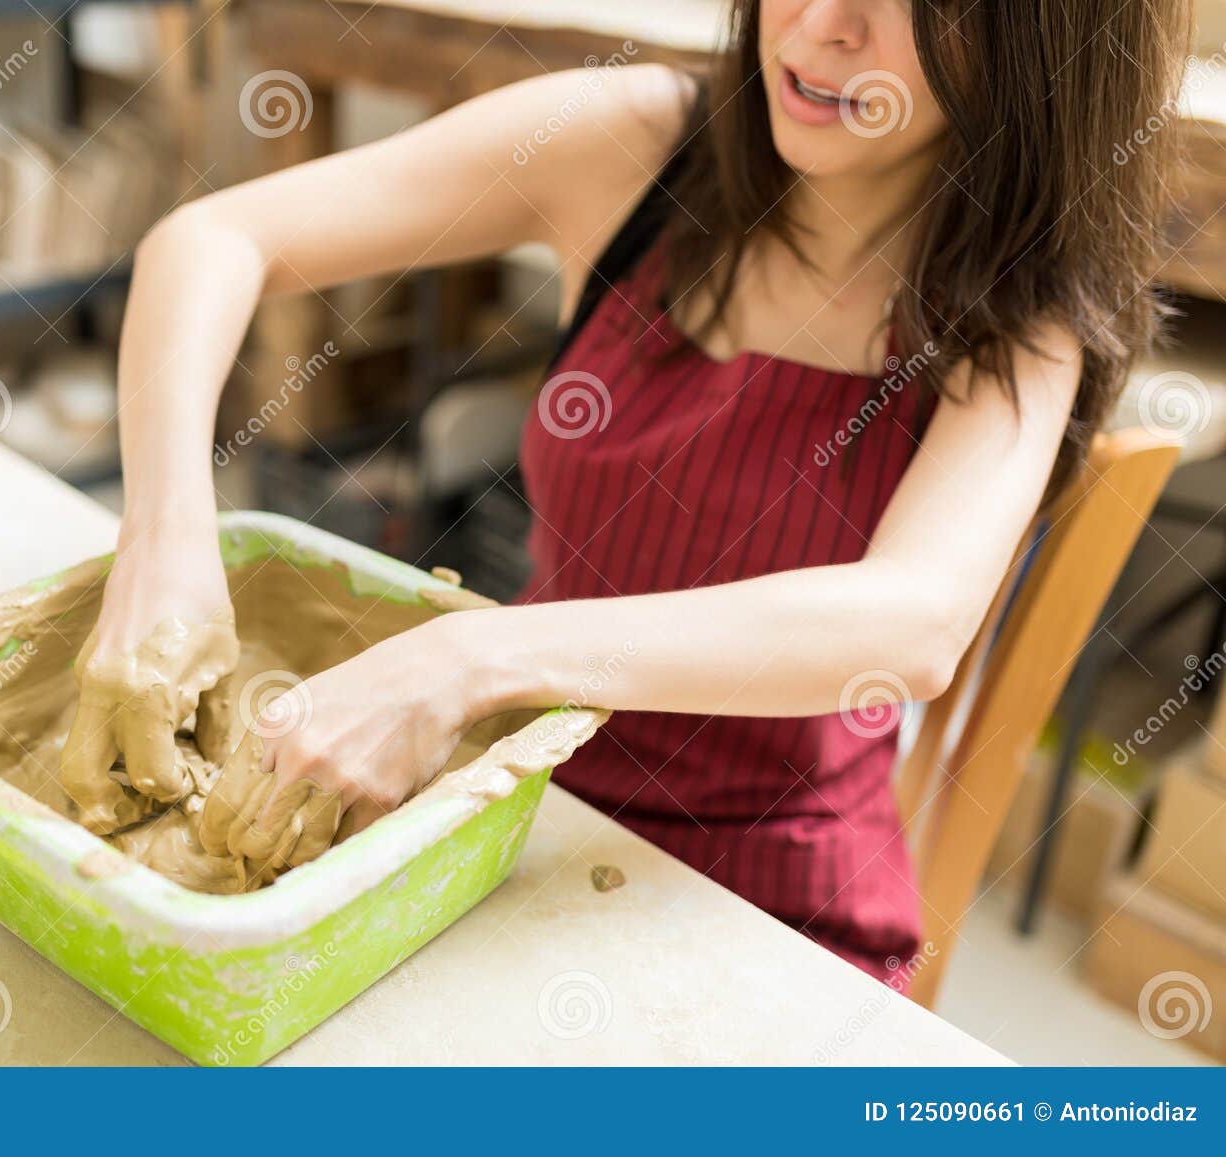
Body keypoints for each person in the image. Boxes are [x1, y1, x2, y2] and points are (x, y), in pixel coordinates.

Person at [64, 0, 1189, 981]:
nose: (825, 24)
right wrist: (165, 538)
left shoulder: (1018, 309)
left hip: (770, 900)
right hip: (511, 802)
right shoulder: (635, 144)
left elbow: (913, 622)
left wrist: (466, 660)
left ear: (1045, 47)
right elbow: (214, 238)